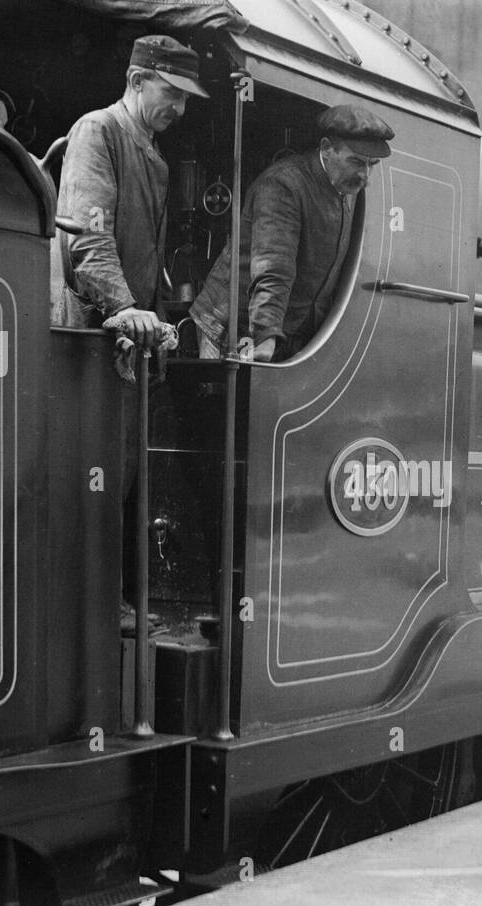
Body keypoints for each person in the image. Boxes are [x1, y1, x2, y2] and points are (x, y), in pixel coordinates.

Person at [51, 34, 208, 630]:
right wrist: (125, 308)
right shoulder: (100, 131)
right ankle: (85, 610)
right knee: (90, 472)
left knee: (118, 477)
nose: (182, 109)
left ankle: (104, 602)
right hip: (89, 338)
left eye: (189, 99)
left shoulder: (151, 153)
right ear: (137, 80)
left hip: (123, 344)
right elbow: (85, 239)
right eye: (173, 93)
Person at [189, 104, 394, 362]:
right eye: (355, 162)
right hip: (237, 329)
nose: (365, 176)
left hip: (287, 331)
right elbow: (273, 265)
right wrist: (264, 335)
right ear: (327, 148)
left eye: (371, 165)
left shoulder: (346, 183)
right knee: (233, 396)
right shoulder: (284, 185)